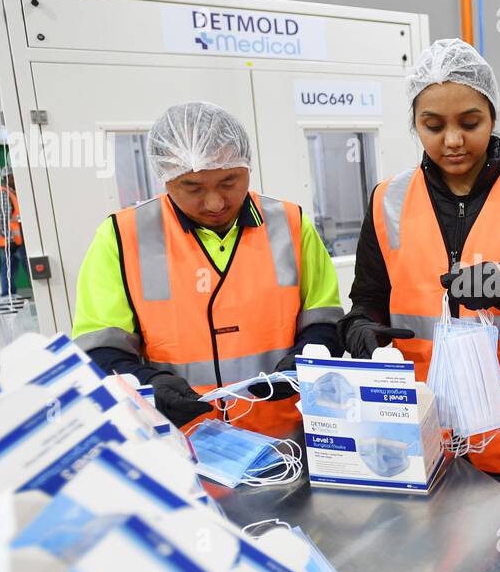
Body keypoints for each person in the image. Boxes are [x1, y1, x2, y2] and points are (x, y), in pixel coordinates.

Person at [340, 38, 500, 475]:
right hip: (420, 443)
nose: (454, 141)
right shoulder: (388, 199)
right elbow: (367, 298)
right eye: (434, 126)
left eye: (470, 122)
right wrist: (359, 328)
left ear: (494, 117)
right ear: (415, 125)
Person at [72, 101, 344, 436]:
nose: (215, 203)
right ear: (166, 177)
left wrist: (305, 358)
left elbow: (325, 321)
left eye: (230, 181)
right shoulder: (121, 238)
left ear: (247, 167)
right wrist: (150, 383)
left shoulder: (290, 224)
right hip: (180, 443)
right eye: (193, 187)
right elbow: (99, 348)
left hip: (287, 434)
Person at [0, 165, 26, 297]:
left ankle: (9, 296)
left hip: (15, 240)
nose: (16, 179)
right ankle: (7, 296)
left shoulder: (11, 192)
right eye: (13, 176)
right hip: (10, 241)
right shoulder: (2, 192)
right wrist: (9, 240)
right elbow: (3, 218)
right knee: (9, 269)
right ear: (8, 178)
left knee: (11, 269)